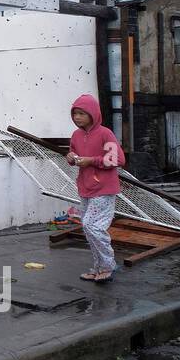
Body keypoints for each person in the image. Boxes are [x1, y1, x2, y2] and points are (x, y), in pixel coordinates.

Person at [66, 93, 125, 283]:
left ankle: (108, 265)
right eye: (75, 113)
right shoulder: (76, 135)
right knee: (90, 230)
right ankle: (98, 266)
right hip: (85, 187)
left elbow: (118, 159)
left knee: (92, 226)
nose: (77, 117)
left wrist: (91, 161)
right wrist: (71, 157)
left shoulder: (105, 133)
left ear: (93, 113)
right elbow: (74, 152)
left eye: (82, 113)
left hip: (105, 188)